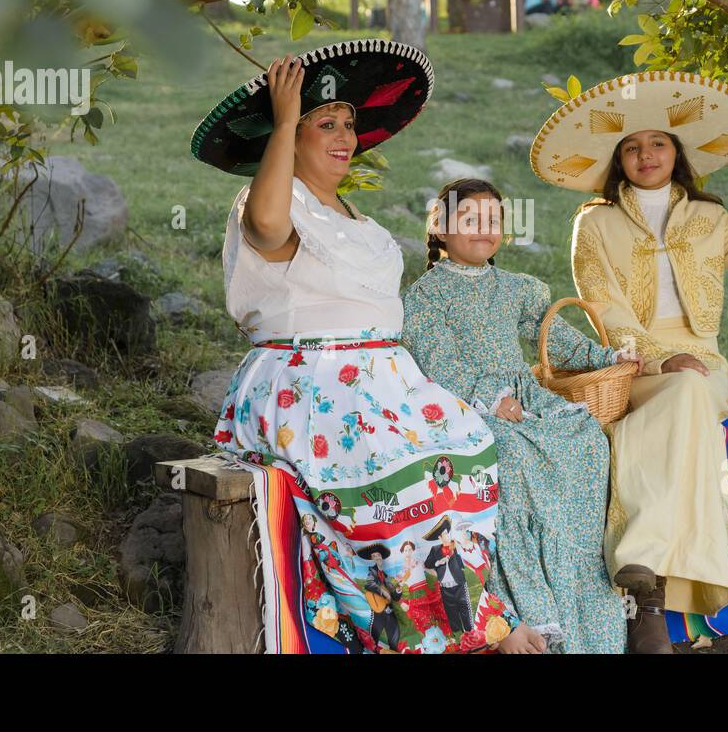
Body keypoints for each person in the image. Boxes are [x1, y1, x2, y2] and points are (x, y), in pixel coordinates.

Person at [192, 40, 545, 654]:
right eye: (324, 123)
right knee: (394, 477)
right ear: (289, 138)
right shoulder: (270, 202)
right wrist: (282, 118)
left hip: (382, 381)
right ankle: (455, 635)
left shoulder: (355, 217)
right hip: (309, 379)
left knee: (470, 447)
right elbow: (272, 228)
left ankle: (466, 619)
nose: (345, 135)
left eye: (350, 123)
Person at [530, 70, 728, 653]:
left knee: (696, 390)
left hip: (703, 357)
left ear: (677, 153)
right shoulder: (593, 224)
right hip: (631, 362)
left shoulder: (708, 217)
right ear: (618, 160)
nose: (646, 154)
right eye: (631, 146)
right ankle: (667, 592)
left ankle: (644, 577)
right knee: (684, 397)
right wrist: (657, 357)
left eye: (658, 143)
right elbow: (605, 309)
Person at [401, 178, 641, 654]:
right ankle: (530, 606)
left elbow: (554, 336)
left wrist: (607, 358)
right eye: (470, 219)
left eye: (493, 221)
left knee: (587, 439)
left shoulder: (515, 288)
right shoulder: (425, 297)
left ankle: (580, 588)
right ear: (441, 229)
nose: (484, 229)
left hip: (525, 396)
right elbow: (438, 361)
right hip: (466, 406)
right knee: (509, 454)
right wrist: (488, 397)